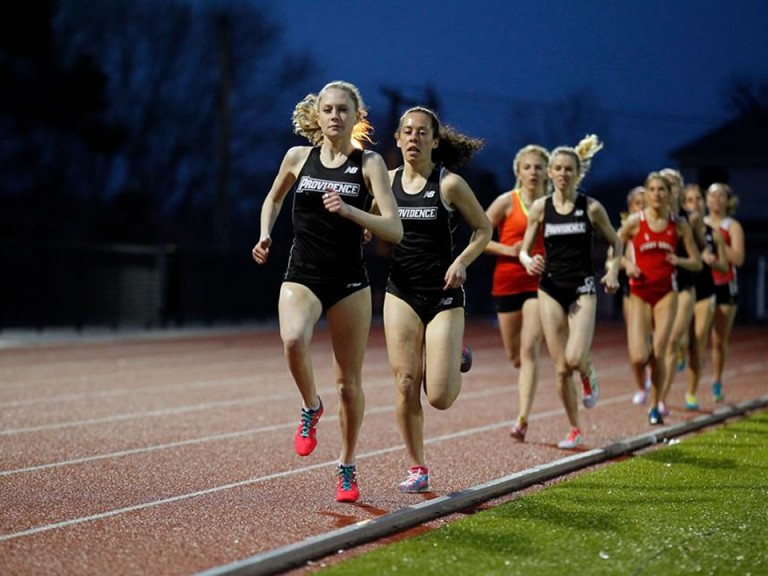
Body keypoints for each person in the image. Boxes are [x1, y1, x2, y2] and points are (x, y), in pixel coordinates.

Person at [251, 81, 403, 503]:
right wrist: (265, 233)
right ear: (317, 117)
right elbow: (272, 199)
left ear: (357, 117)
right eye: (328, 109)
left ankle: (347, 466)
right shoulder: (298, 157)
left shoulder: (368, 163)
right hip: (302, 272)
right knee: (293, 339)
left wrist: (352, 211)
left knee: (348, 384)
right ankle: (310, 407)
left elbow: (394, 227)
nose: (335, 116)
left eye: (343, 110)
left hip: (349, 280)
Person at [382, 106, 491, 493]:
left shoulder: (449, 184)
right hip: (401, 293)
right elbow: (371, 220)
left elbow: (483, 228)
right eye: (407, 131)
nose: (413, 138)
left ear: (434, 140)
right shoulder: (386, 182)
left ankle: (452, 349)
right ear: (397, 139)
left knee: (441, 397)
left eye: (422, 132)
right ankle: (417, 467)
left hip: (443, 295)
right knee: (406, 379)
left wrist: (462, 261)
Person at [519, 135, 622, 449]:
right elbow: (524, 250)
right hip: (549, 287)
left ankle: (589, 373)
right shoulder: (540, 208)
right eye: (558, 169)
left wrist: (613, 269)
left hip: (582, 288)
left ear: (578, 174)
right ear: (551, 173)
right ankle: (574, 427)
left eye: (568, 169)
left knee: (576, 357)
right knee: (561, 366)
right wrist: (528, 261)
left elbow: (616, 242)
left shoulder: (590, 208)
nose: (563, 174)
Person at [618, 173, 701, 425]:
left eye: (661, 189)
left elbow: (696, 262)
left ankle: (655, 405)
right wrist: (624, 265)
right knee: (637, 356)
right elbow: (614, 250)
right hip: (640, 293)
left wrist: (680, 260)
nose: (656, 194)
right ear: (646, 192)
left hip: (667, 293)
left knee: (660, 350)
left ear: (669, 194)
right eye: (651, 189)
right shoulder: (634, 222)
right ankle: (647, 389)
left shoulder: (679, 225)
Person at [483, 144, 549, 441]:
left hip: (540, 283)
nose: (533, 172)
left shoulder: (554, 204)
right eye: (528, 167)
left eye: (538, 167)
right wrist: (507, 249)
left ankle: (522, 418)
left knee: (529, 348)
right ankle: (527, 377)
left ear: (547, 172)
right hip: (508, 281)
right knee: (514, 356)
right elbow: (479, 237)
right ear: (518, 172)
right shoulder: (506, 202)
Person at [657, 168, 704, 417]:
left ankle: (662, 399)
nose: (671, 188)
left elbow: (700, 254)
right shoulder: (652, 215)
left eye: (675, 184)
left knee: (673, 339)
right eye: (667, 184)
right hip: (659, 287)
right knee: (659, 344)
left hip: (685, 284)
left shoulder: (687, 219)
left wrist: (682, 259)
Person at [682, 183, 728, 410]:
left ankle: (691, 392)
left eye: (698, 199)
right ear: (683, 204)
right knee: (681, 339)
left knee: (698, 342)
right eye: (689, 200)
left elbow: (724, 266)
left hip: (705, 292)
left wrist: (712, 261)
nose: (694, 204)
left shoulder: (713, 233)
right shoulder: (679, 229)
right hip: (683, 290)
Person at [704, 182, 745, 403]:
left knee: (719, 339)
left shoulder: (732, 226)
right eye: (712, 195)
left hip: (725, 283)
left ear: (727, 201)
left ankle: (717, 381)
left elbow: (738, 259)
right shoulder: (698, 223)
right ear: (706, 199)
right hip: (702, 284)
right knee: (695, 333)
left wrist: (717, 241)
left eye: (721, 196)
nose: (716, 200)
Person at [617, 186, 653, 405]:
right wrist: (627, 264)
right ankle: (641, 384)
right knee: (636, 346)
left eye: (645, 203)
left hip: (659, 290)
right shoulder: (626, 229)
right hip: (632, 291)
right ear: (630, 207)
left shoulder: (660, 225)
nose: (642, 208)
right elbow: (613, 255)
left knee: (657, 341)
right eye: (638, 204)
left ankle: (658, 393)